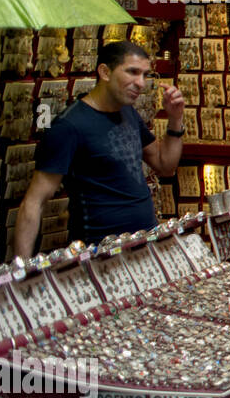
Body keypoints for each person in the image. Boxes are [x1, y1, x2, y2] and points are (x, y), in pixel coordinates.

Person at [15, 41, 185, 256]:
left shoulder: (129, 113)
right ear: (105, 72)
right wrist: (21, 269)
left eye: (144, 75)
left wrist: (175, 119)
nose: (140, 83)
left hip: (143, 247)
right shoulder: (69, 126)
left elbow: (165, 165)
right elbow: (34, 201)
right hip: (99, 254)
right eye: (132, 72)